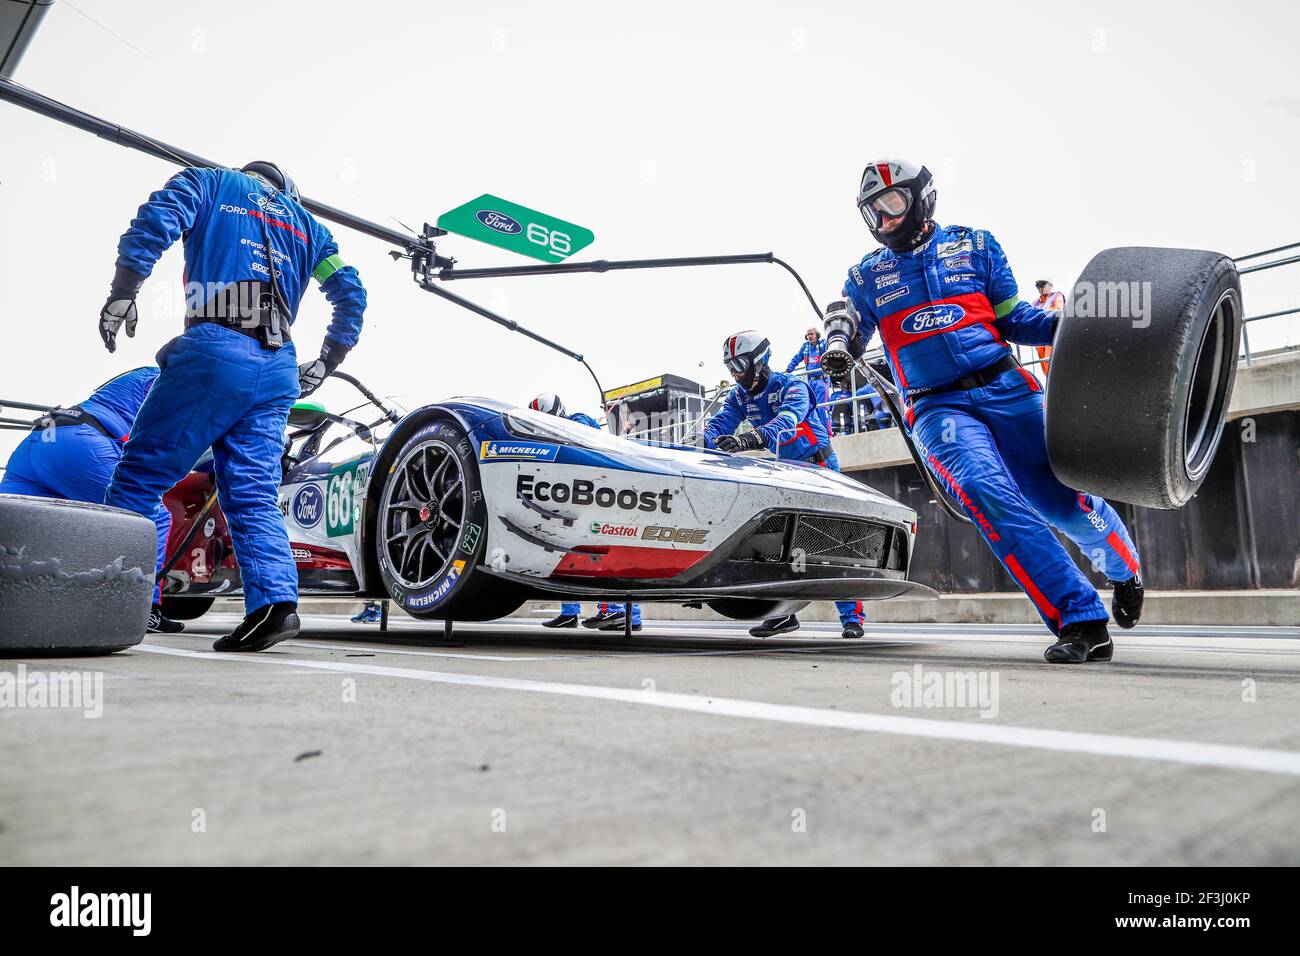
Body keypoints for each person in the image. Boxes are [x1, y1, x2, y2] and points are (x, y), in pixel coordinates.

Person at [823, 158, 1143, 663]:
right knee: (984, 491)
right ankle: (1081, 618)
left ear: (921, 199)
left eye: (891, 205)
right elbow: (847, 320)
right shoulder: (865, 274)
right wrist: (837, 345)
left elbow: (1016, 319)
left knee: (1061, 502)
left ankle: (1125, 571)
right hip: (938, 406)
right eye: (873, 213)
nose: (883, 221)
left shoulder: (976, 244)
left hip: (1007, 388)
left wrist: (1076, 324)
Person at [99, 161, 367, 653]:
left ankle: (105, 603)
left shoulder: (209, 183)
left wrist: (123, 292)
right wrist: (328, 360)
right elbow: (351, 295)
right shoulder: (309, 227)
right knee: (252, 494)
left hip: (215, 348)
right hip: (278, 367)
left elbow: (157, 219)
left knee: (138, 480)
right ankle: (274, 606)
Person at [703, 332, 866, 639]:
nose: (735, 372)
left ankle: (851, 618)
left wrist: (747, 439)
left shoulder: (793, 386)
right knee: (779, 545)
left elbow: (787, 421)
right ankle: (781, 615)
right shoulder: (739, 396)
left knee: (835, 543)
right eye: (729, 365)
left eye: (739, 363)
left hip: (820, 469)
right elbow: (718, 424)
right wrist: (705, 443)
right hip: (786, 471)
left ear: (759, 360)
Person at [0, 367, 182, 634]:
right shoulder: (174, 376)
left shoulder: (143, 374)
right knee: (149, 516)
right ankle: (146, 610)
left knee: (14, 527)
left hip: (44, 434)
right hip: (81, 444)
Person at [528, 393, 644, 632]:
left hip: (603, 495)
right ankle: (571, 613)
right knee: (566, 553)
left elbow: (579, 446)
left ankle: (620, 612)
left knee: (604, 552)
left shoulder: (577, 421)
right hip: (582, 496)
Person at [1032, 280, 1066, 376]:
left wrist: (1041, 314)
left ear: (1050, 286)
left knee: (1051, 360)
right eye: (1038, 286)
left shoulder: (1057, 296)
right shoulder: (1035, 303)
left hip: (1052, 335)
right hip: (1039, 339)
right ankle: (1050, 386)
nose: (1040, 288)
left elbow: (1058, 310)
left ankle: (1059, 383)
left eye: (1043, 285)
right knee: (1045, 367)